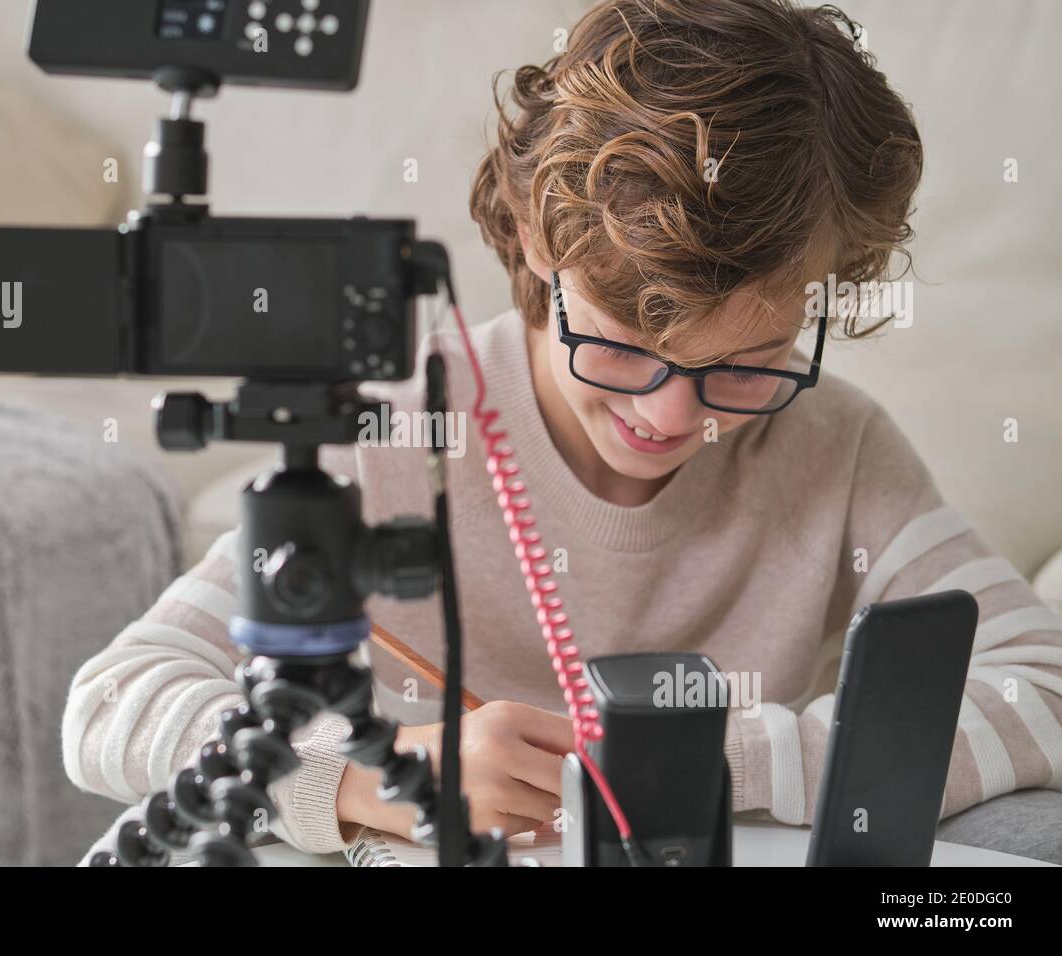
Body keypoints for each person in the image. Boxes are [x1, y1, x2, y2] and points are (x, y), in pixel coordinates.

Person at [63, 0, 1062, 857]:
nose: (672, 415)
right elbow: (113, 704)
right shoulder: (400, 432)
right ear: (541, 238)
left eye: (742, 362)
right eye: (627, 344)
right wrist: (373, 772)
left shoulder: (833, 448)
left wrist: (710, 755)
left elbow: (1046, 687)